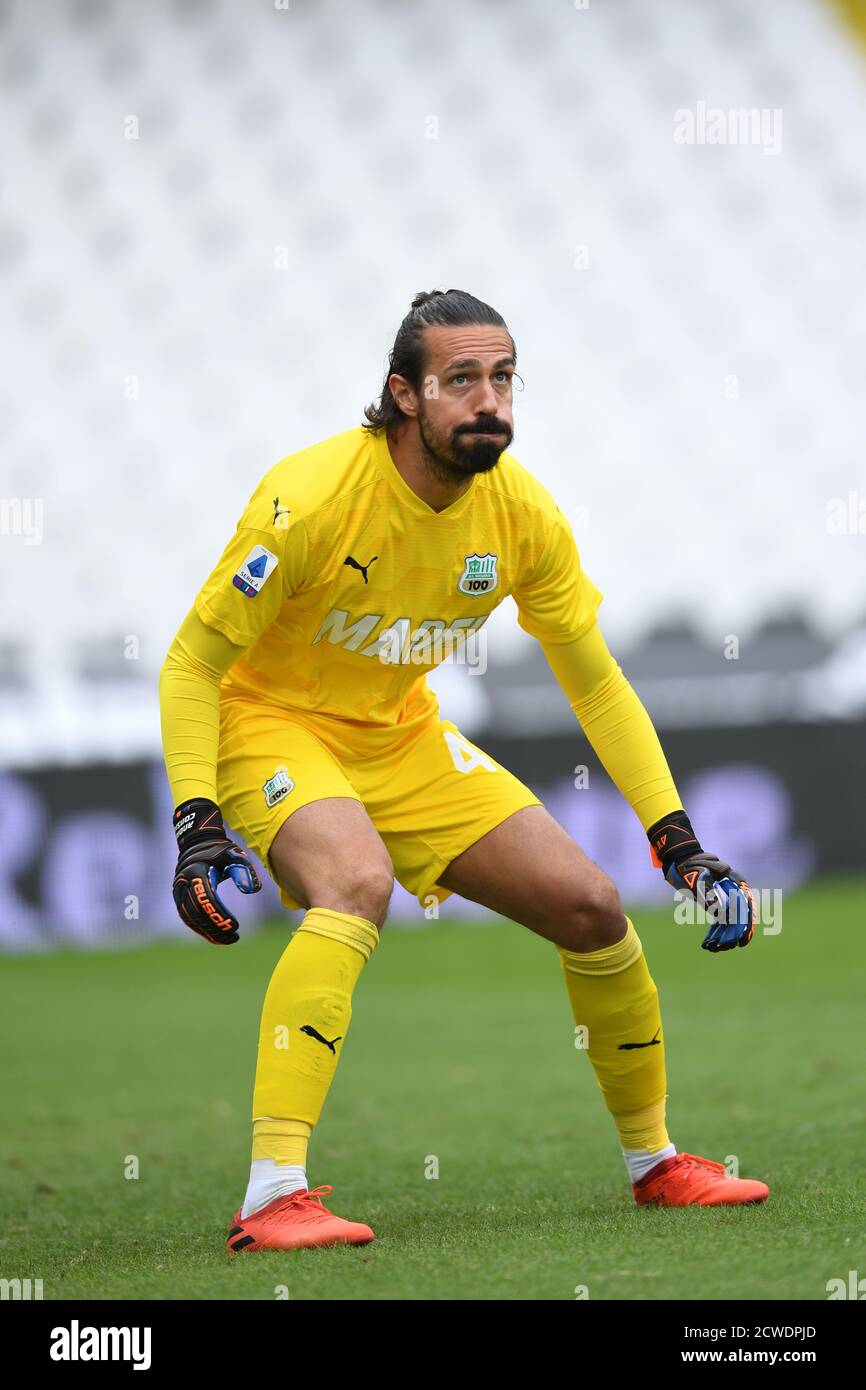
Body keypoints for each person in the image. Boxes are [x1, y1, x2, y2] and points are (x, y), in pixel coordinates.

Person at [159, 288, 768, 1254]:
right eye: (461, 381)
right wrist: (196, 819)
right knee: (356, 884)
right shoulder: (309, 498)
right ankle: (275, 1193)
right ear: (404, 395)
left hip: (399, 735)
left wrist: (676, 837)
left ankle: (657, 1163)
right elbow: (192, 664)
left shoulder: (521, 513)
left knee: (593, 908)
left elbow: (597, 684)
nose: (490, 401)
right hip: (269, 721)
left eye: (503, 378)